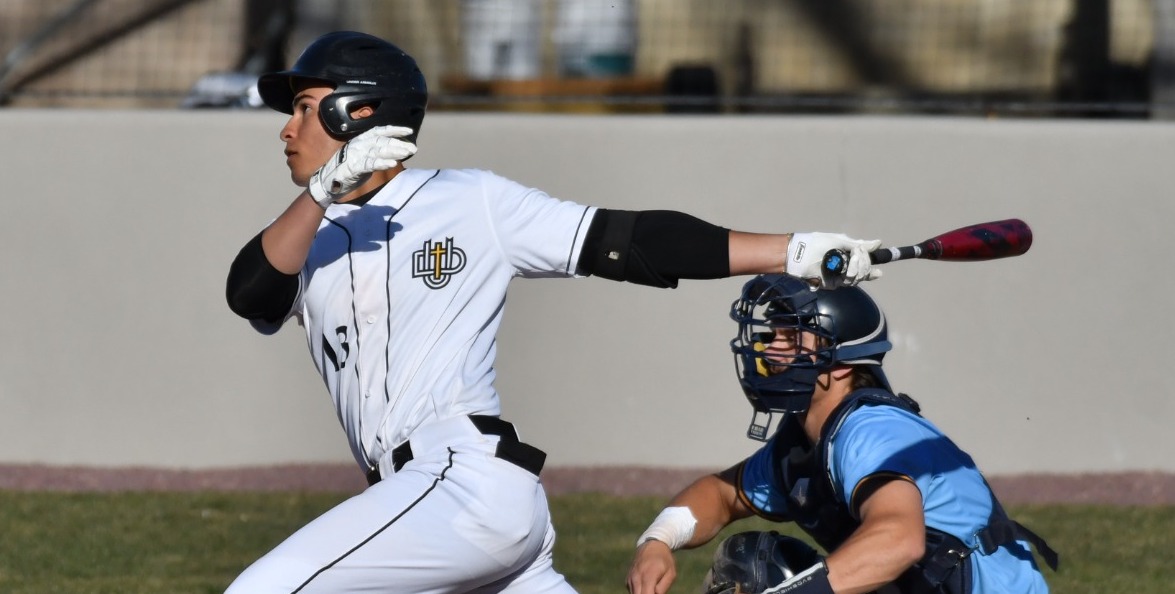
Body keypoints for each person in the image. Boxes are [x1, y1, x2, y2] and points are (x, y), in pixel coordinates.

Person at [223, 30, 881, 594]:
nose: (287, 127)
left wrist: (791, 251)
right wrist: (321, 192)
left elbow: (628, 240)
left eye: (307, 108)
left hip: (461, 482)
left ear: (354, 112)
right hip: (421, 504)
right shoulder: (301, 237)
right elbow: (249, 293)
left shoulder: (468, 201)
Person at [626, 274, 1058, 594]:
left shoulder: (871, 430)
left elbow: (899, 539)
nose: (769, 348)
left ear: (842, 361)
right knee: (750, 562)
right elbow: (720, 495)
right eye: (773, 333)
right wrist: (657, 541)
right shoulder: (803, 444)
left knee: (766, 578)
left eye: (791, 336)